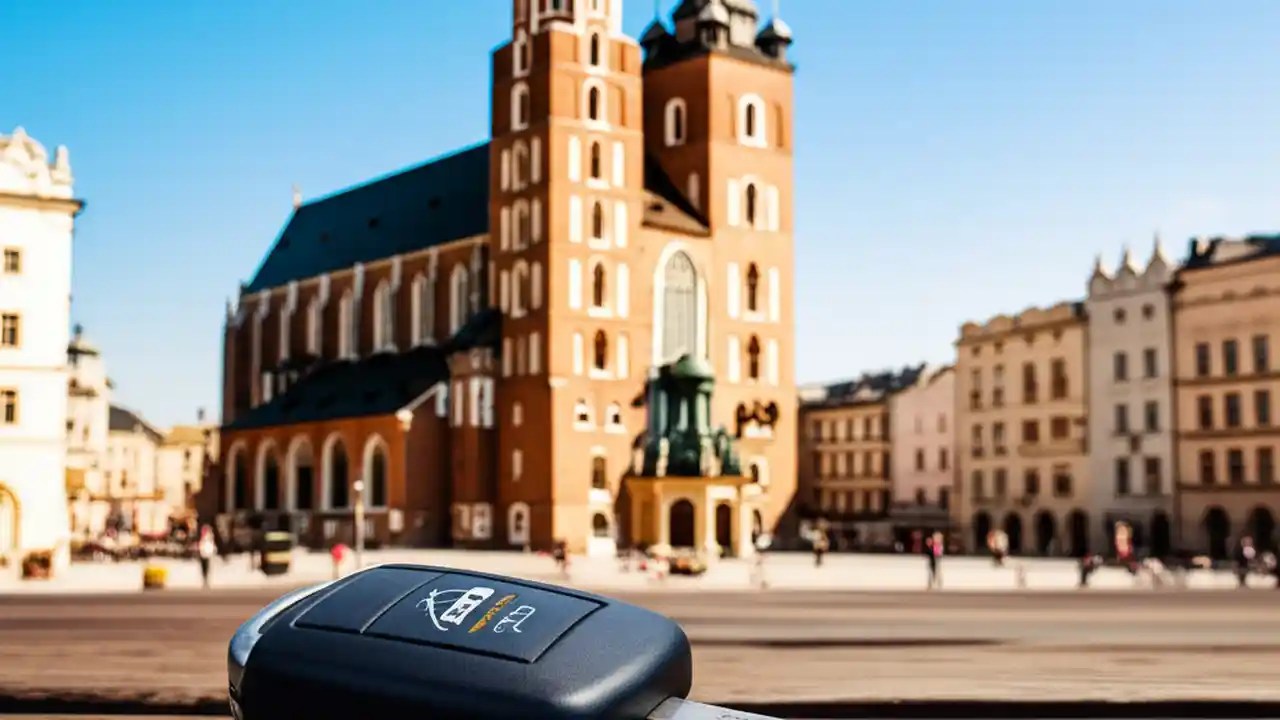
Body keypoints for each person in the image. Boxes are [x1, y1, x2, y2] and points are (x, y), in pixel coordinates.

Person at [197, 524, 216, 589]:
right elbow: (201, 545)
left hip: (208, 554)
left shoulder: (210, 537)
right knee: (204, 568)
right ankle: (205, 580)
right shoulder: (202, 537)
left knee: (207, 568)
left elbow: (212, 545)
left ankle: (206, 581)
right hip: (203, 554)